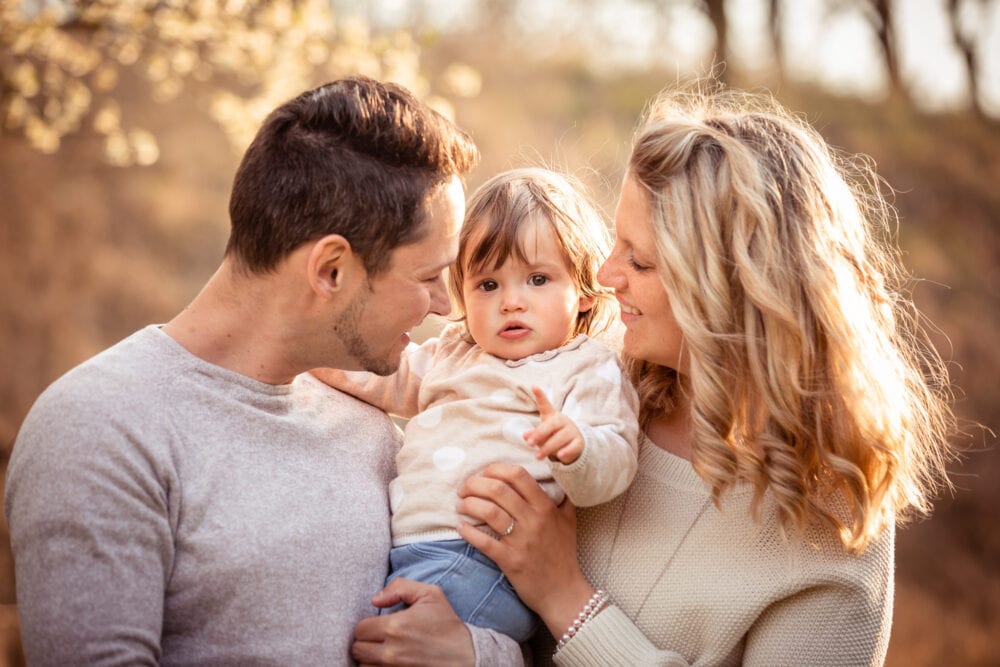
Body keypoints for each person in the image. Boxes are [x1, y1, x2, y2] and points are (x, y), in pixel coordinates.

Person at [351, 86, 956, 666]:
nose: (606, 275)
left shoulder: (832, 529)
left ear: (726, 290)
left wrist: (567, 601)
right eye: (616, 243)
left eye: (638, 260)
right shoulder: (594, 383)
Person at [4, 76, 523, 666]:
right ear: (330, 270)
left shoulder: (373, 424)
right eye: (429, 277)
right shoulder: (101, 429)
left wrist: (478, 654)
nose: (446, 307)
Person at [314, 167, 640, 643]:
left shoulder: (586, 367)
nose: (511, 302)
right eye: (488, 285)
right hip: (410, 549)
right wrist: (311, 360)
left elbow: (613, 458)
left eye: (537, 279)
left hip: (485, 559)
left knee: (394, 643)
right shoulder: (454, 351)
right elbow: (385, 377)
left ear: (586, 294)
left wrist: (577, 448)